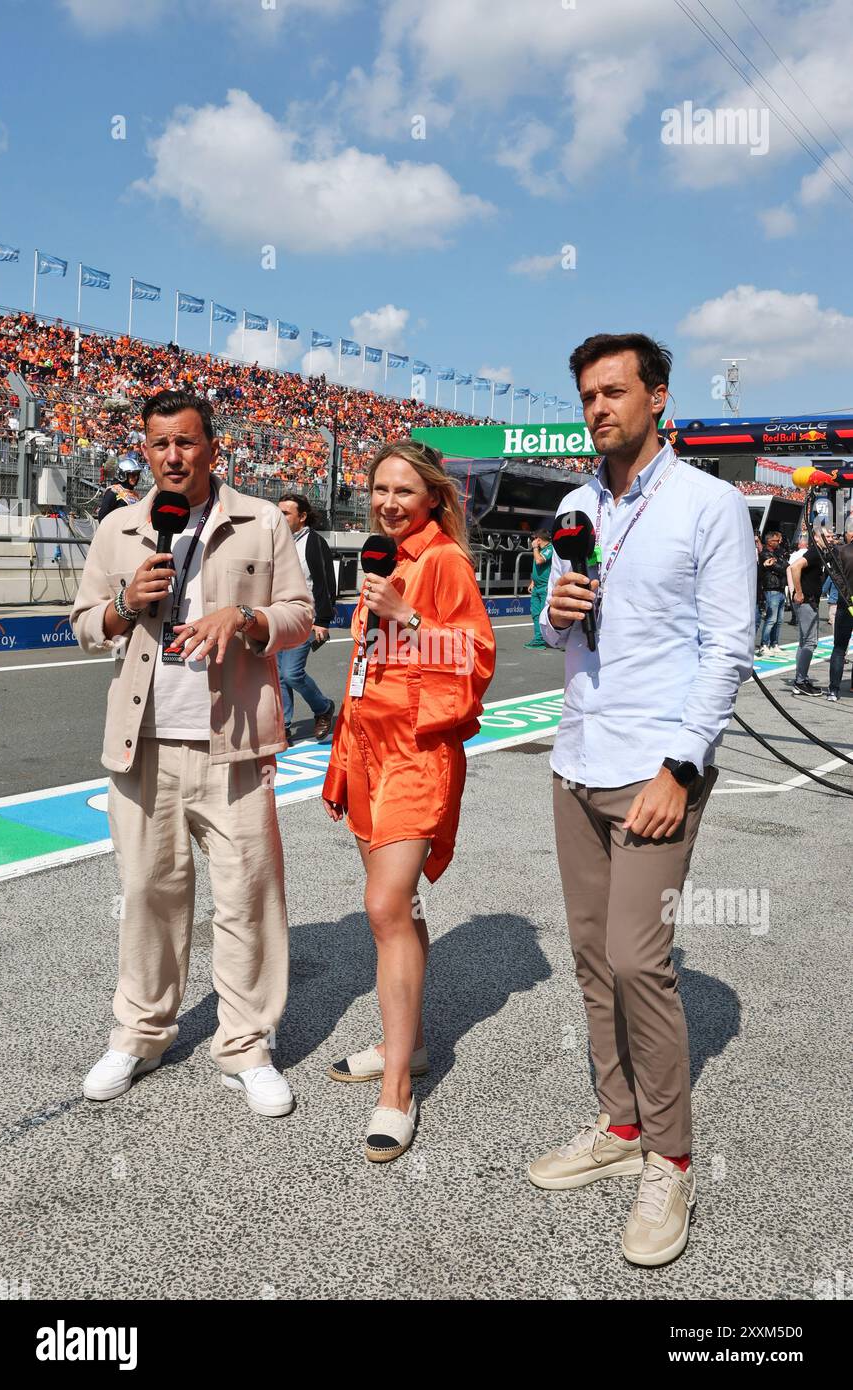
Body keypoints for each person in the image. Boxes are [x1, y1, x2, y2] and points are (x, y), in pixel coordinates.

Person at [529, 333, 754, 1267]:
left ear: (658, 397)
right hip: (575, 759)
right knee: (590, 959)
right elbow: (549, 629)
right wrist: (558, 608)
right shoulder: (577, 504)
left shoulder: (709, 504)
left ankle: (671, 1157)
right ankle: (620, 1130)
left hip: (655, 772)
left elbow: (728, 648)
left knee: (635, 960)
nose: (597, 409)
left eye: (614, 392)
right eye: (586, 395)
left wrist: (680, 766)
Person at [70, 390, 313, 1117]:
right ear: (144, 450)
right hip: (141, 742)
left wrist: (243, 618)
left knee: (247, 898)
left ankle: (245, 1044)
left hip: (233, 744)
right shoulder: (120, 527)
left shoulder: (263, 520)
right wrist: (121, 604)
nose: (171, 456)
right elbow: (84, 623)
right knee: (148, 895)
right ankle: (140, 1033)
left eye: (184, 442)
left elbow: (301, 616)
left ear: (212, 448)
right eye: (158, 444)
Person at [321, 439, 495, 1163]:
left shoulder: (444, 563)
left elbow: (477, 657)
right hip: (366, 746)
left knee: (384, 907)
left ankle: (396, 1088)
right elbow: (366, 667)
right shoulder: (383, 558)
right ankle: (409, 1044)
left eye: (404, 492)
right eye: (380, 491)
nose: (389, 504)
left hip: (417, 754)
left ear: (433, 498)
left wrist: (407, 618)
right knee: (400, 909)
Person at [276, 492, 337, 744]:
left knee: (291, 673)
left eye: (285, 513)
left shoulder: (313, 542)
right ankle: (284, 726)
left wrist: (322, 620)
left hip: (305, 617)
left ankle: (323, 708)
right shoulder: (275, 540)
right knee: (278, 675)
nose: (279, 517)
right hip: (278, 616)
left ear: (301, 517)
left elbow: (326, 583)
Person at [788, 528, 826, 696]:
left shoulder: (818, 552)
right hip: (806, 601)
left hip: (807, 601)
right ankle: (800, 681)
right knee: (810, 642)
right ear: (817, 537)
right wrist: (798, 592)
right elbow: (794, 567)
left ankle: (800, 679)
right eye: (828, 535)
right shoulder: (815, 553)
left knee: (804, 642)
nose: (831, 538)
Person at [824, 517, 853, 701]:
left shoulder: (840, 550)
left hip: (845, 603)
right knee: (839, 648)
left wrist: (848, 598)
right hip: (847, 603)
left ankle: (833, 689)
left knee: (839, 648)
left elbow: (836, 578)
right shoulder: (840, 550)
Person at [757, 529, 787, 657]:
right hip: (771, 588)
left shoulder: (778, 553)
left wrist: (780, 565)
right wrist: (780, 566)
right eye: (775, 540)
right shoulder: (765, 553)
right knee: (771, 619)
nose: (778, 542)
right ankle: (764, 645)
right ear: (769, 541)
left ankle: (774, 643)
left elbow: (786, 565)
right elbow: (779, 568)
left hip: (780, 588)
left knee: (779, 620)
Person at [525, 528, 553, 648]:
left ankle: (544, 638)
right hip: (537, 587)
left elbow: (539, 561)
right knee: (535, 613)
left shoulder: (550, 549)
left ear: (539, 539)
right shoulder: (540, 550)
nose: (533, 541)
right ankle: (538, 639)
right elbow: (536, 568)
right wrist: (532, 581)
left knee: (543, 614)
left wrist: (535, 548)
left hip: (545, 587)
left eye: (535, 539)